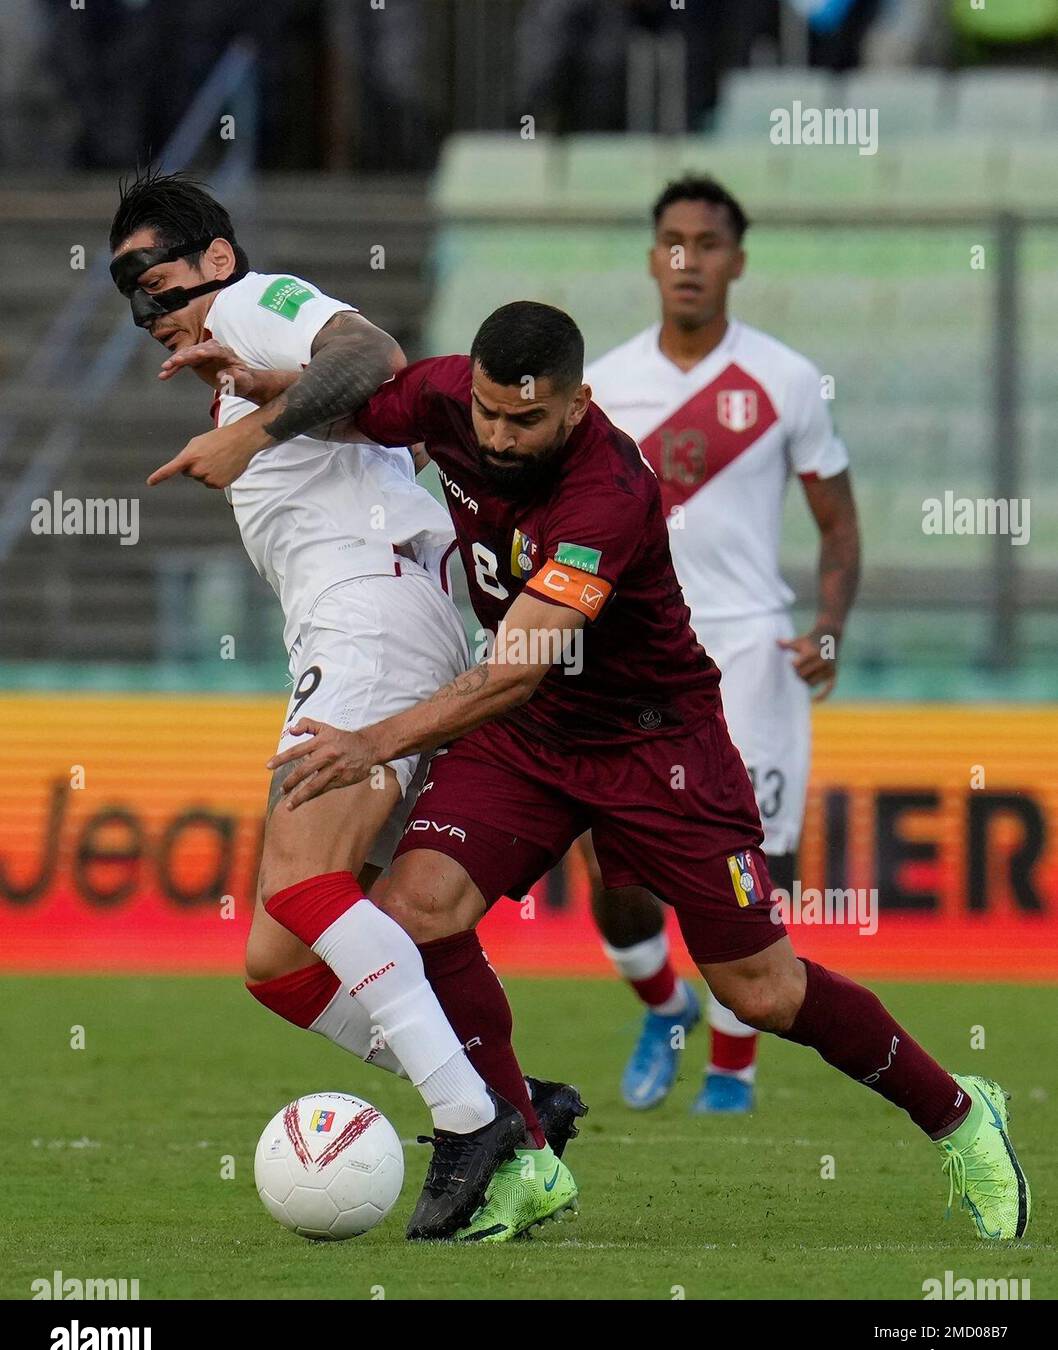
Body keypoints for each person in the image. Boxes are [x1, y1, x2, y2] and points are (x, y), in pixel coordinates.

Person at [156, 300, 1030, 1245]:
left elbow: (516, 668)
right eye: (489, 412)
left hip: (654, 745)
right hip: (533, 736)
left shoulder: (608, 491)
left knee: (760, 991)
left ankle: (961, 1114)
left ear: (577, 405)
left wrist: (374, 742)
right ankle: (526, 1159)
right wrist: (266, 391)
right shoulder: (449, 395)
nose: (499, 436)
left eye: (525, 420)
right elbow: (355, 402)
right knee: (418, 909)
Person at [111, 171, 582, 1242]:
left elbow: (372, 356)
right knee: (278, 961)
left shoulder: (252, 299)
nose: (146, 308)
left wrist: (251, 432)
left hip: (368, 621)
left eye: (155, 279)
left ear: (215, 259)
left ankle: (474, 1121)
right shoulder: (250, 354)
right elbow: (368, 409)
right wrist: (264, 402)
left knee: (301, 883)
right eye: (127, 293)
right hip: (387, 623)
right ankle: (511, 1105)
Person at [581, 173, 860, 1114]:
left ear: (737, 261)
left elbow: (839, 525)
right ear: (651, 257)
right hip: (631, 654)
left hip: (751, 650)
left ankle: (734, 1068)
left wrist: (828, 629)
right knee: (615, 874)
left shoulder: (785, 379)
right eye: (674, 241)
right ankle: (666, 1005)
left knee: (759, 867)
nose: (688, 259)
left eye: (708, 244)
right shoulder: (605, 386)